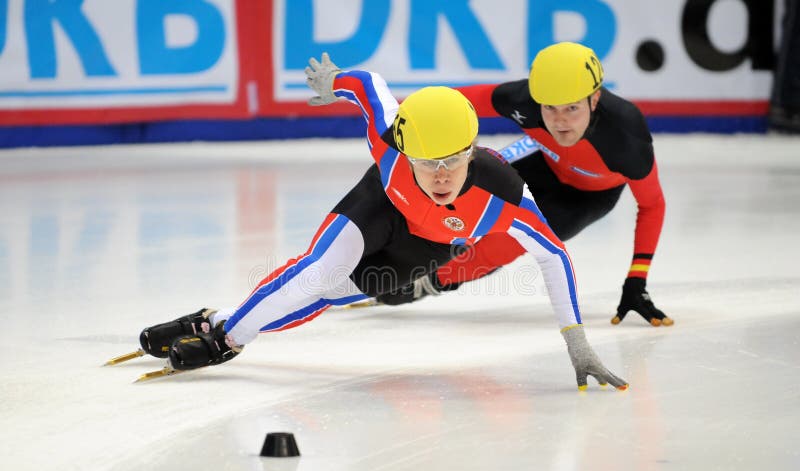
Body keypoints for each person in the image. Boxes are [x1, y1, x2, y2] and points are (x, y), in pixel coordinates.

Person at [132, 53, 627, 391]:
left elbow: (553, 256)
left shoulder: (505, 197)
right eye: (426, 162)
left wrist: (576, 340)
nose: (438, 176)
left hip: (424, 249)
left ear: (472, 153)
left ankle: (215, 321)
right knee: (317, 272)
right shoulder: (390, 141)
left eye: (451, 162)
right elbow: (368, 86)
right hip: (378, 205)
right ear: (404, 148)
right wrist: (334, 83)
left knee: (324, 296)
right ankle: (226, 340)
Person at [378, 42, 673, 328]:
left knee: (505, 243)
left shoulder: (626, 137)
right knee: (456, 198)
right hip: (542, 164)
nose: (560, 122)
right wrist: (405, 119)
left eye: (572, 108)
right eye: (550, 109)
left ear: (594, 99)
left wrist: (637, 278)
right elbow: (451, 101)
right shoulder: (523, 100)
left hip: (585, 198)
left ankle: (417, 285)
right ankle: (382, 255)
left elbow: (652, 205)